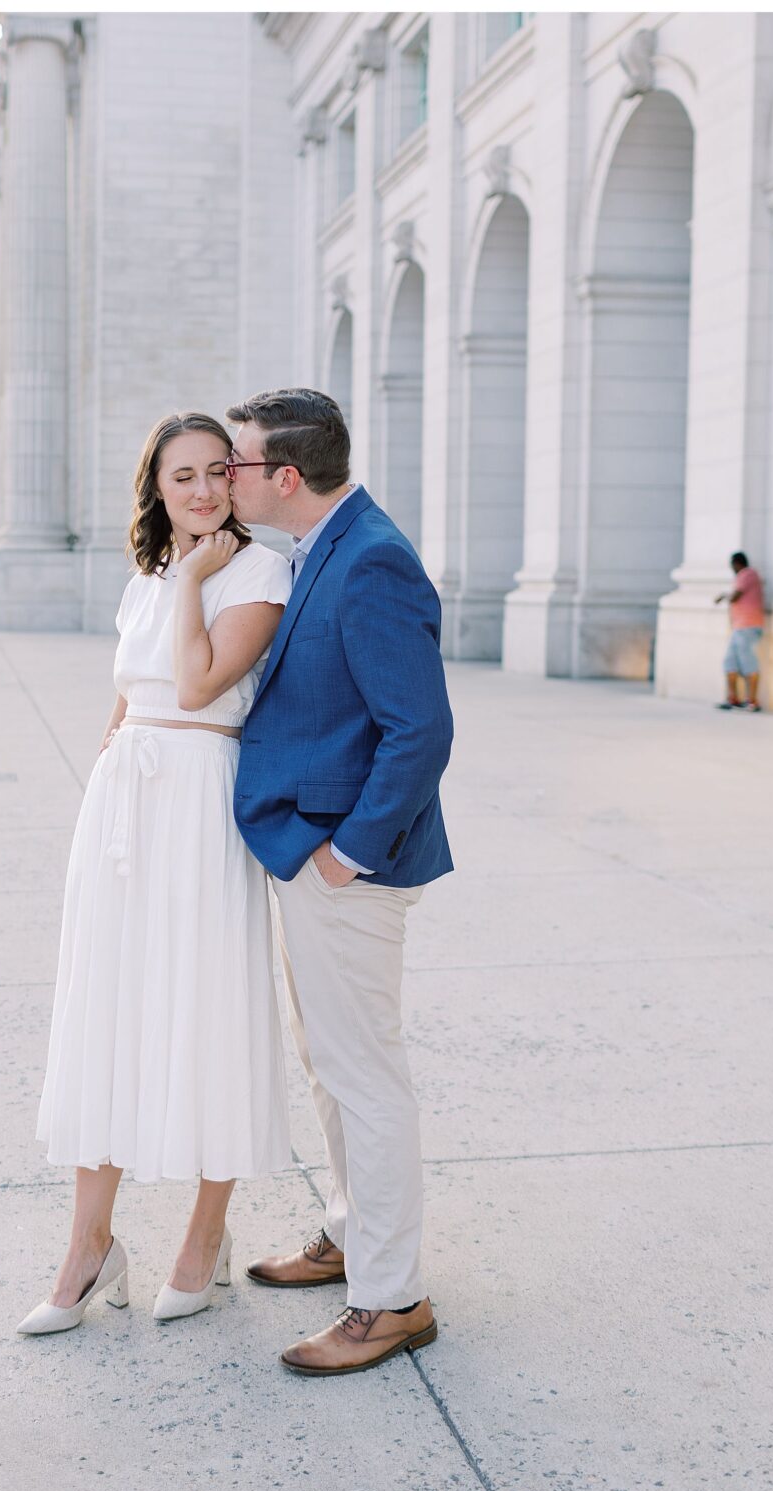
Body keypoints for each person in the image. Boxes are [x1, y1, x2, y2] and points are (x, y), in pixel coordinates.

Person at [18, 411, 293, 1337]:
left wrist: (197, 582)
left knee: (207, 1007)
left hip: (202, 798)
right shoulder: (146, 577)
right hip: (126, 803)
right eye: (184, 477)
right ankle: (89, 1246)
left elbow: (201, 682)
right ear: (157, 489)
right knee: (108, 1009)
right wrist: (104, 787)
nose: (205, 490)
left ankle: (204, 1238)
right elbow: (131, 696)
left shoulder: (256, 571)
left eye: (218, 471)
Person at [226, 387, 454, 1377]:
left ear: (285, 476)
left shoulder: (372, 561)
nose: (226, 476)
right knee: (331, 1064)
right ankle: (351, 1233)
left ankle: (391, 1298)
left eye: (237, 463)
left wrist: (346, 852)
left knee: (364, 1077)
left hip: (348, 868)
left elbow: (421, 730)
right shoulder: (317, 548)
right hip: (310, 854)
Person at [714, 551, 765, 711]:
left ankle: (753, 701)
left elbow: (735, 596)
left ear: (737, 563)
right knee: (730, 662)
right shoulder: (745, 575)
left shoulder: (748, 574)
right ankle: (733, 698)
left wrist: (723, 596)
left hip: (748, 626)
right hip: (739, 627)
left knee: (748, 662)